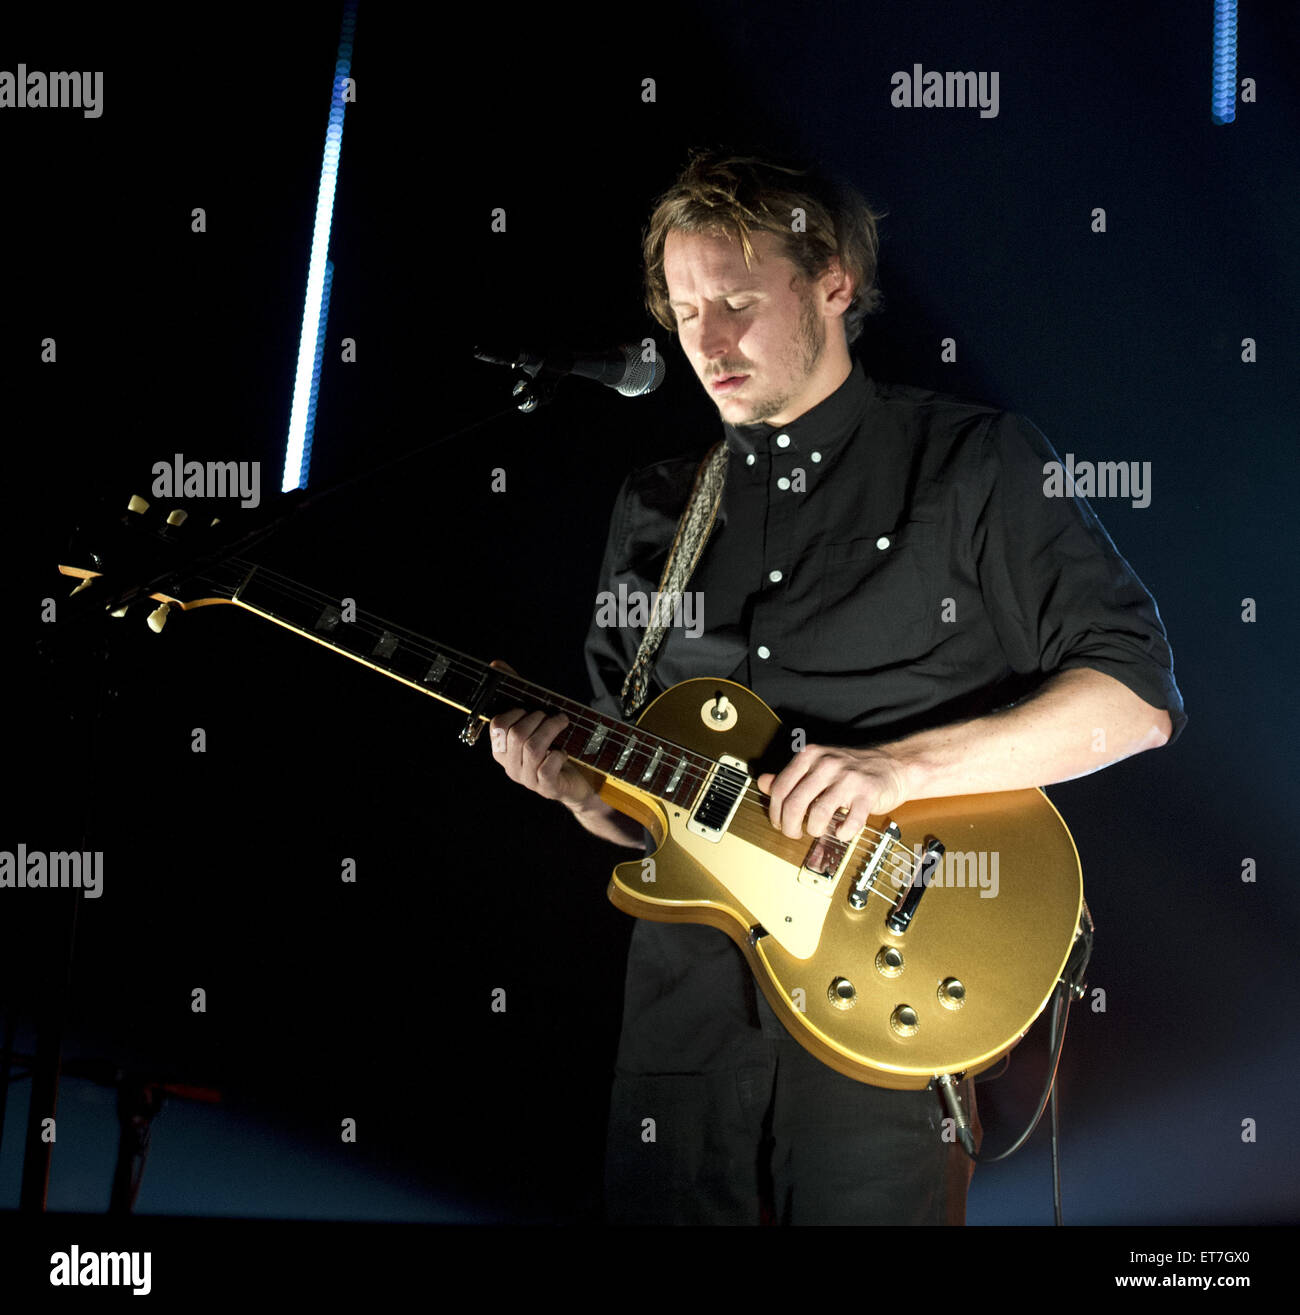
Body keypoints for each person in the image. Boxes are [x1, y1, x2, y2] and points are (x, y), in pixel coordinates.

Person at [487, 149, 1185, 1225]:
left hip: (891, 1002)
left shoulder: (972, 461)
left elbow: (1135, 700)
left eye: (736, 302)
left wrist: (896, 769)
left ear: (832, 284)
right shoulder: (658, 505)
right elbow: (642, 797)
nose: (707, 341)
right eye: (684, 312)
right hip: (684, 1028)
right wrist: (577, 789)